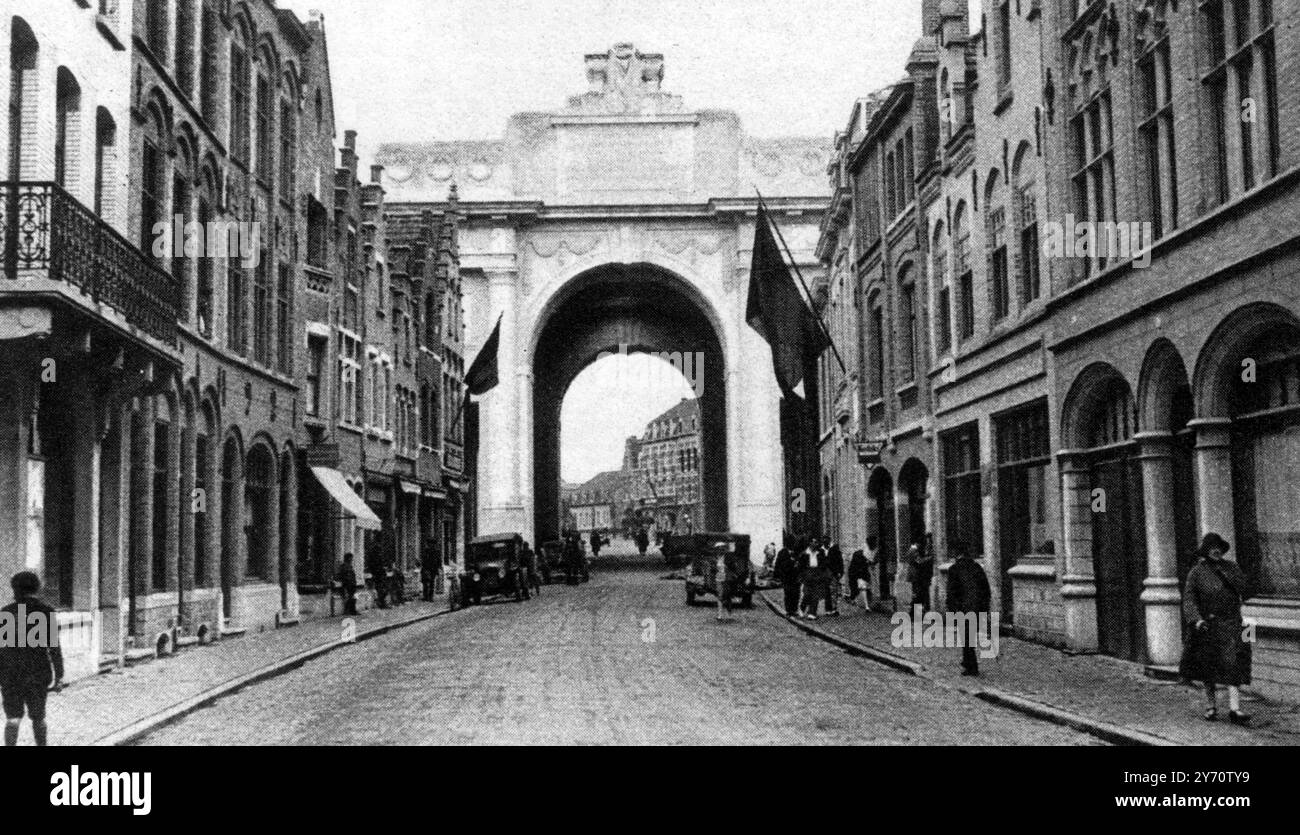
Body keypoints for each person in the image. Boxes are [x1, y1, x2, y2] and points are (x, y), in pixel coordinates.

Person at [1181, 533, 1253, 724]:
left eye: (1219, 547)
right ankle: (1211, 706)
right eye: (1212, 547)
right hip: (1208, 625)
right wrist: (1196, 620)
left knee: (1235, 663)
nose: (1216, 551)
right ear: (1205, 551)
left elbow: (1245, 590)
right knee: (1208, 667)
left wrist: (1227, 575)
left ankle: (1235, 709)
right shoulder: (1196, 573)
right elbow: (1189, 599)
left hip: (1232, 623)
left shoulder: (1232, 567)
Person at [1, 572, 63, 746]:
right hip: (38, 673)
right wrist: (59, 675)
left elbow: (1, 649)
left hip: (11, 675)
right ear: (37, 588)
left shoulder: (6, 613)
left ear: (16, 589)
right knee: (38, 717)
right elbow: (54, 648)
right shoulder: (46, 612)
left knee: (12, 718)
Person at [946, 542, 991, 677]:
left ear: (957, 554)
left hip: (963, 608)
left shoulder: (954, 569)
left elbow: (952, 592)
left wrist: (952, 610)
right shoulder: (976, 567)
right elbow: (986, 589)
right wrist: (985, 607)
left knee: (966, 637)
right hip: (977, 607)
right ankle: (967, 662)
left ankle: (971, 666)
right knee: (969, 636)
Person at [799, 537, 829, 620]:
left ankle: (812, 613)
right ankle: (802, 607)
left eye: (816, 543)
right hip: (808, 574)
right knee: (807, 594)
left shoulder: (820, 553)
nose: (816, 544)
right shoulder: (804, 554)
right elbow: (801, 567)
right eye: (814, 542)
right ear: (810, 543)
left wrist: (822, 574)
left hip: (817, 574)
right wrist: (802, 577)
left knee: (816, 594)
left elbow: (824, 564)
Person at [774, 540, 801, 617]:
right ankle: (789, 610)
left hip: (795, 576)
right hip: (786, 576)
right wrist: (778, 576)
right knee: (788, 593)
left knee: (796, 593)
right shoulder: (782, 552)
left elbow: (800, 561)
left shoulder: (796, 552)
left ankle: (794, 609)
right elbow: (778, 564)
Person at [909, 536, 935, 613]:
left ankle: (916, 613)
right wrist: (929, 558)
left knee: (918, 594)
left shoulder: (913, 549)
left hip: (917, 575)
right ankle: (915, 613)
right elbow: (919, 561)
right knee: (917, 594)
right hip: (915, 575)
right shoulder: (913, 550)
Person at [824, 541, 844, 616]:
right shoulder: (836, 553)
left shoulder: (831, 553)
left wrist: (839, 573)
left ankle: (830, 609)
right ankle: (833, 609)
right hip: (833, 575)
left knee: (831, 592)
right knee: (833, 592)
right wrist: (839, 573)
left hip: (832, 575)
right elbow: (838, 564)